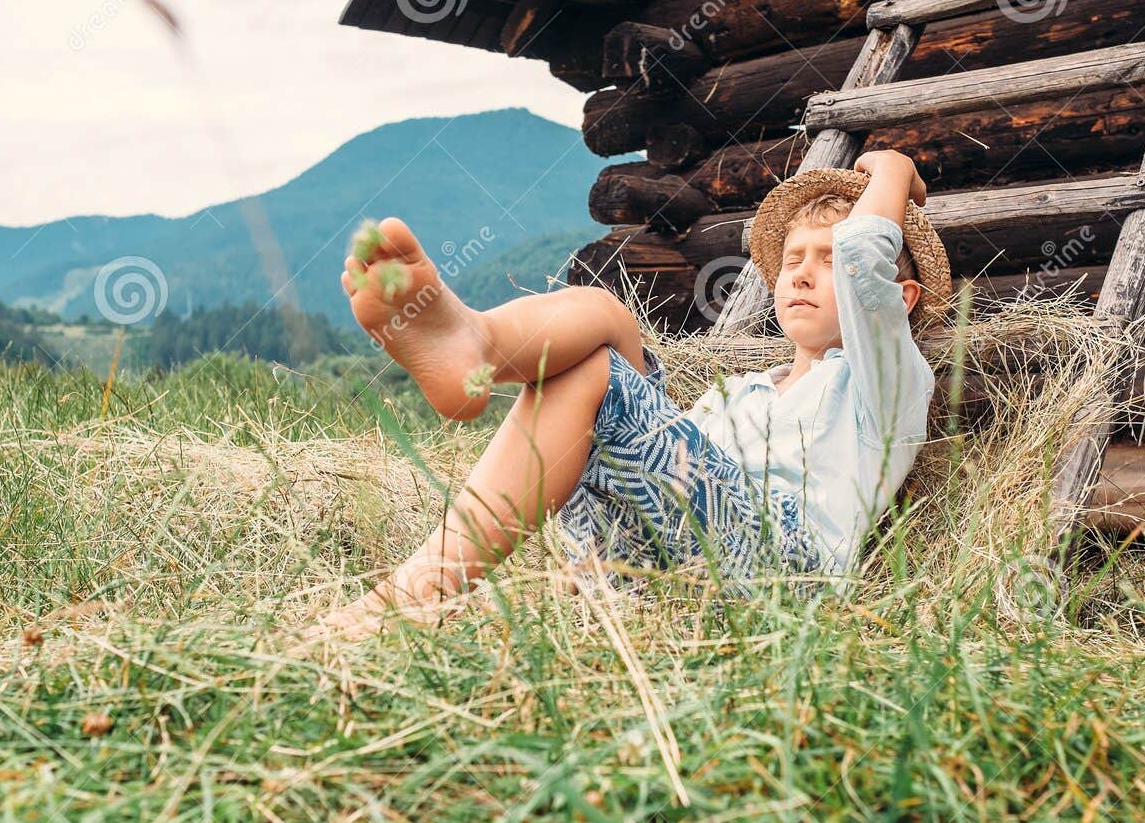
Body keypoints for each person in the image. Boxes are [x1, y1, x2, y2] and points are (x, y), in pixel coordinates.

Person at [312, 149, 952, 637]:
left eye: (827, 258)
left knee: (597, 375)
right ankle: (479, 342)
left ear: (900, 301)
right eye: (791, 260)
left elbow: (865, 262)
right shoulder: (742, 395)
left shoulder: (882, 384)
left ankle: (418, 588)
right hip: (668, 560)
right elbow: (666, 459)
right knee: (607, 323)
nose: (805, 274)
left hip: (789, 576)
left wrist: (892, 170)